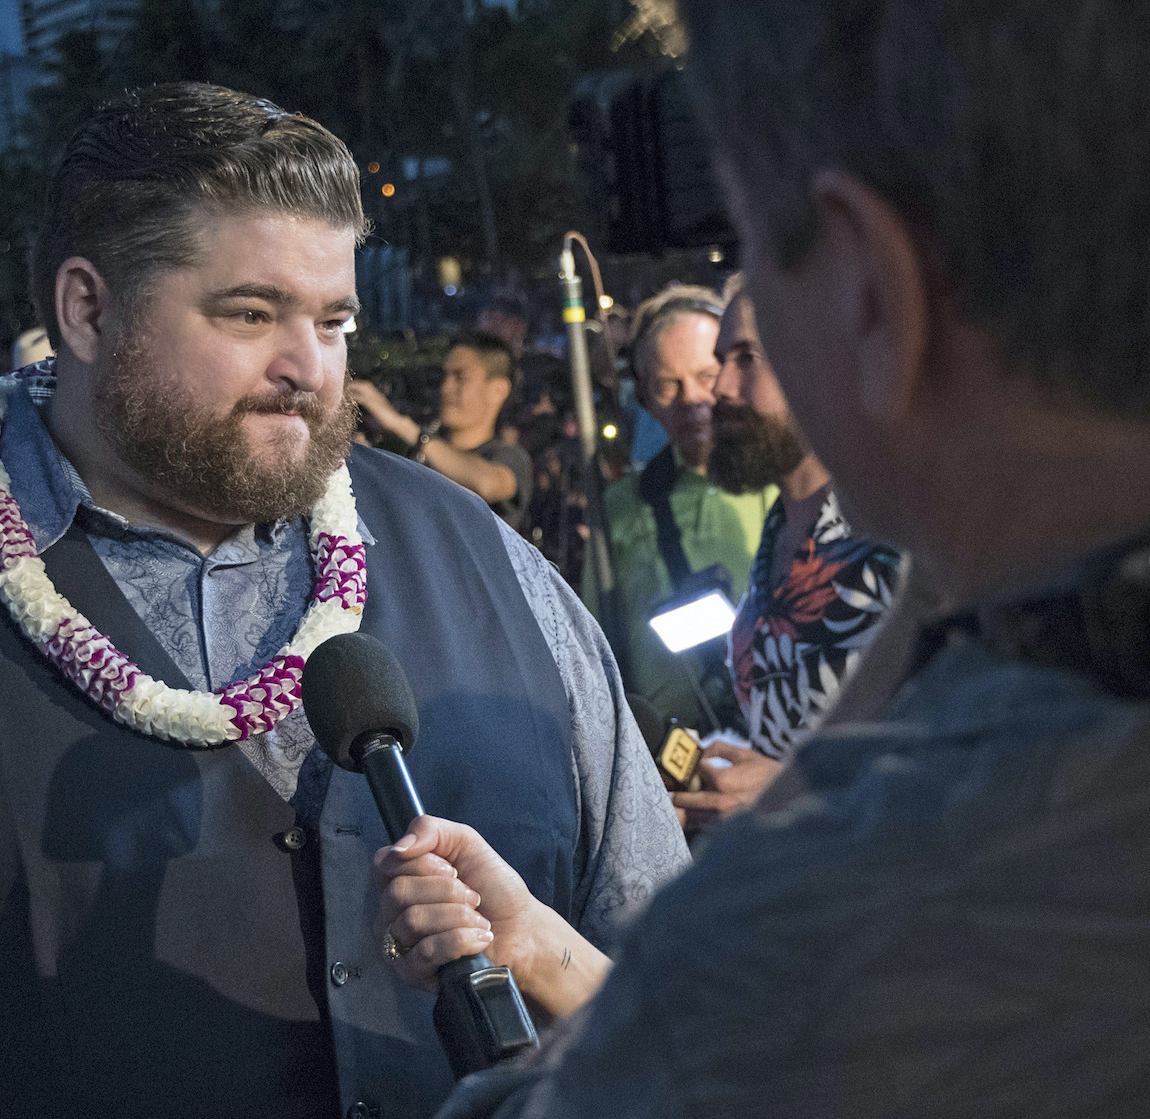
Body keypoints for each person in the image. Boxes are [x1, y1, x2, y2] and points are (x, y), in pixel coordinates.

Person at [0, 84, 688, 1119]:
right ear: (88, 312)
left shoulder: (490, 566)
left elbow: (687, 967)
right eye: (251, 314)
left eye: (334, 321)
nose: (311, 365)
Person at [377, 2, 1150, 1115]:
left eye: (753, 272)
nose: (728, 386)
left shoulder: (856, 922)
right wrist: (549, 949)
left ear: (870, 291)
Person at [672, 277, 903, 831]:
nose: (719, 387)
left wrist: (794, 788)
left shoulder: (896, 526)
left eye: (747, 357)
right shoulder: (779, 529)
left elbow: (969, 751)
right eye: (721, 359)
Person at [587, 285, 775, 731]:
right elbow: (595, 648)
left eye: (707, 375)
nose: (692, 399)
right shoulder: (621, 505)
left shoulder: (785, 481)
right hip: (674, 766)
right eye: (669, 384)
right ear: (646, 399)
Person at [348, 333, 534, 532]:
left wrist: (399, 423)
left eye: (460, 377)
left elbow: (487, 484)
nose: (446, 387)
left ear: (498, 390)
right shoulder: (416, 453)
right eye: (444, 377)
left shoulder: (509, 457)